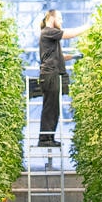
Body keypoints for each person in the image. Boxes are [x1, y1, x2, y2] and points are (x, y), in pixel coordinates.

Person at [37, 9, 90, 147]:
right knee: (50, 107)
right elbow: (68, 34)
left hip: (51, 74)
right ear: (51, 18)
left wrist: (72, 56)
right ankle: (44, 139)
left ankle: (48, 138)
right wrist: (87, 27)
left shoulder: (49, 36)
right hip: (50, 75)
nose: (61, 21)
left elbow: (58, 57)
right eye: (59, 18)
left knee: (53, 107)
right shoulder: (48, 31)